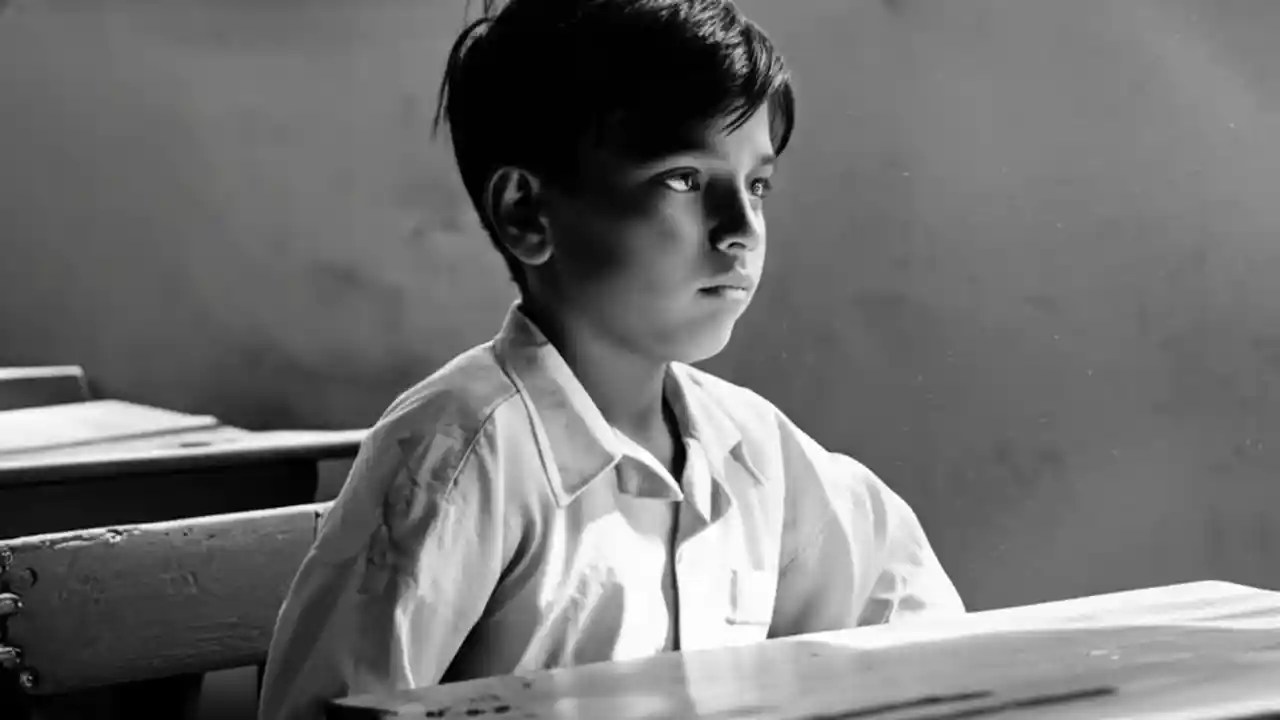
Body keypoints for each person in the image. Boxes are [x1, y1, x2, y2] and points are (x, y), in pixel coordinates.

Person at [259, 0, 964, 717]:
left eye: (757, 184)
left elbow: (918, 625)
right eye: (684, 179)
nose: (741, 230)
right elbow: (334, 709)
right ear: (526, 214)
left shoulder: (754, 451)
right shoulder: (462, 452)